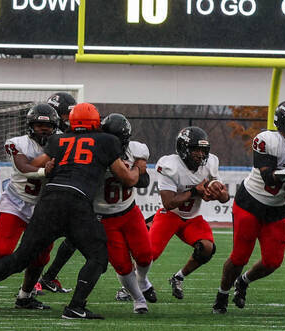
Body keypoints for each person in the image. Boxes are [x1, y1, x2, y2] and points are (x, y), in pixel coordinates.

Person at [0, 102, 139, 320]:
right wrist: (139, 167)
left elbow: (36, 164)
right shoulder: (107, 141)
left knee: (20, 258)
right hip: (76, 202)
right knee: (98, 256)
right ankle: (76, 306)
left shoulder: (58, 140)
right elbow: (127, 178)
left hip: (49, 201)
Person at [212, 99, 285, 314]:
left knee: (273, 261)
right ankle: (222, 294)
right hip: (251, 203)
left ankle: (244, 282)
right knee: (239, 257)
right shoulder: (267, 140)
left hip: (277, 210)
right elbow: (269, 178)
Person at [0, 102, 62, 311]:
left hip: (43, 208)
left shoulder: (62, 143)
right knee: (2, 250)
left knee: (41, 256)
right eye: (38, 125)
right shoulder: (17, 143)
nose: (44, 130)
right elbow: (24, 167)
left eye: (49, 126)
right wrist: (46, 171)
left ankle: (25, 296)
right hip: (16, 203)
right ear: (29, 126)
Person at [146, 126, 229, 301]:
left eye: (203, 150)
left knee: (207, 249)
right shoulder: (170, 165)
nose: (200, 154)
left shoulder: (211, 163)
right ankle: (128, 285)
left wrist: (218, 192)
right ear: (184, 149)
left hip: (192, 218)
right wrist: (194, 192)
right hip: (170, 215)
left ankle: (178, 278)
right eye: (195, 150)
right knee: (148, 255)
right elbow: (168, 203)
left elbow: (224, 198)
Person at [93, 114, 157, 313]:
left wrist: (139, 170)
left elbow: (144, 182)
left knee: (145, 255)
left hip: (129, 211)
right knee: (122, 264)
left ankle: (143, 281)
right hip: (104, 217)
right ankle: (139, 299)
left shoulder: (136, 150)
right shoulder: (93, 151)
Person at [35, 91, 80, 295]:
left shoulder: (65, 135)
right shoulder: (48, 136)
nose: (69, 119)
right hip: (45, 193)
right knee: (40, 241)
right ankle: (33, 282)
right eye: (65, 114)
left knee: (75, 236)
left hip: (63, 191)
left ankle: (48, 276)